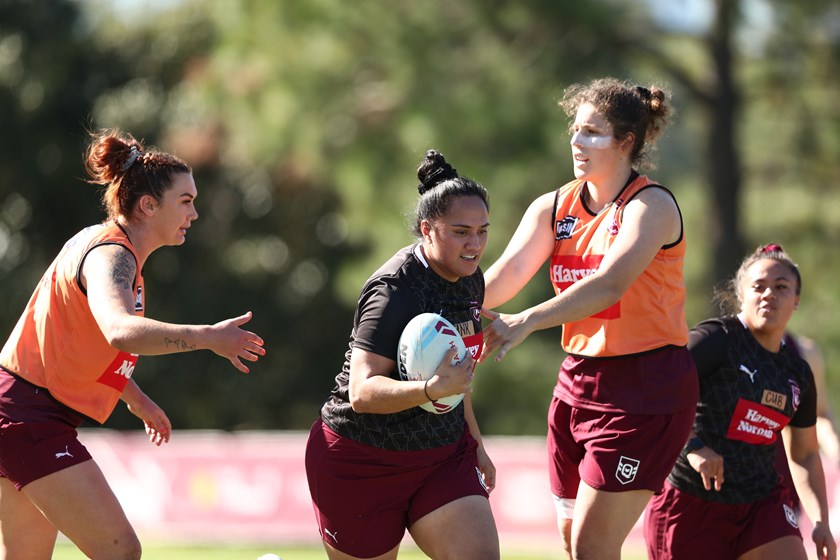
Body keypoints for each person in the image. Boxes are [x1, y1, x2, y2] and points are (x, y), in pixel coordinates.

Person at [0, 130, 266, 559]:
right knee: (120, 551)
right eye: (185, 201)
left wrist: (135, 397)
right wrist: (209, 337)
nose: (194, 213)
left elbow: (80, 341)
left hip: (17, 410)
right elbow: (119, 331)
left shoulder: (108, 247)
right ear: (147, 205)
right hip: (28, 418)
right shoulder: (113, 255)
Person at [479, 77, 698, 559]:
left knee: (593, 544)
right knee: (572, 541)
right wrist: (437, 303)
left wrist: (526, 320)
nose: (578, 142)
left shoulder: (651, 205)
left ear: (625, 142)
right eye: (576, 130)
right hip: (577, 383)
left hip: (647, 387)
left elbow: (609, 284)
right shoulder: (553, 206)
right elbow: (506, 274)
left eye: (593, 133)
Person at [305, 149, 499, 560]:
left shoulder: (471, 280)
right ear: (427, 229)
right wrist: (430, 389)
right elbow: (362, 392)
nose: (475, 244)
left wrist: (476, 443)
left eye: (483, 230)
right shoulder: (394, 289)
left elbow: (457, 376)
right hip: (361, 460)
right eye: (461, 231)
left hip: (442, 457)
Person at [644, 244, 836, 560]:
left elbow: (804, 453)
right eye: (758, 286)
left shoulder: (798, 371)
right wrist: (693, 447)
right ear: (741, 293)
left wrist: (820, 521)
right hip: (691, 502)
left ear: (797, 300)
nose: (769, 294)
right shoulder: (715, 339)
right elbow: (655, 390)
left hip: (762, 505)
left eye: (781, 287)